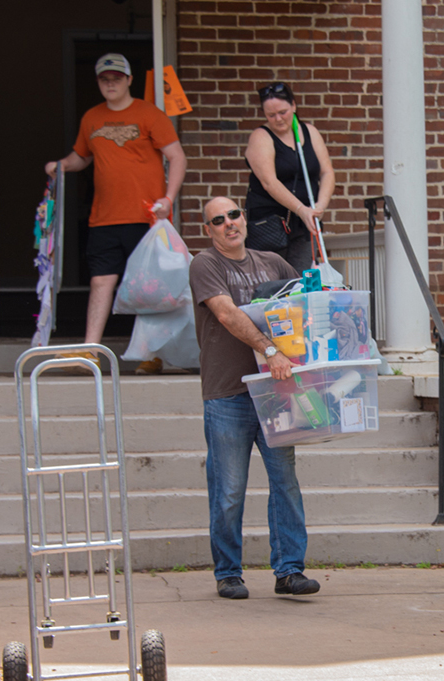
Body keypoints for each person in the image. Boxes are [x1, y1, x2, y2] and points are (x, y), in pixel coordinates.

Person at [188, 196, 321, 599]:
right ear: (208, 230)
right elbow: (228, 315)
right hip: (228, 393)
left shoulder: (273, 263)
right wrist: (269, 351)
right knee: (229, 489)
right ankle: (228, 573)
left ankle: (290, 571)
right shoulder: (205, 264)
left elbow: (304, 308)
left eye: (234, 214)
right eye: (219, 220)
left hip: (277, 392)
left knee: (285, 483)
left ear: (244, 218)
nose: (230, 223)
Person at [45, 52, 188, 373]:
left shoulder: (149, 114)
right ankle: (90, 350)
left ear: (129, 80)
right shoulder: (91, 118)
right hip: (104, 218)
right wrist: (61, 166)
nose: (111, 84)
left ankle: (154, 355)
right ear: (98, 81)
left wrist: (168, 198)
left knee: (151, 286)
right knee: (101, 282)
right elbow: (81, 157)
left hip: (148, 218)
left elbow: (177, 157)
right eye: (104, 79)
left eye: (117, 78)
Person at [243, 81, 336, 274]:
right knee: (272, 281)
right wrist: (300, 209)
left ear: (293, 105)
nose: (278, 119)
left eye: (283, 112)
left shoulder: (309, 132)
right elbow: (269, 182)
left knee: (301, 278)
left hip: (303, 224)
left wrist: (320, 206)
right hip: (270, 224)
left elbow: (327, 171)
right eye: (271, 115)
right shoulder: (261, 137)